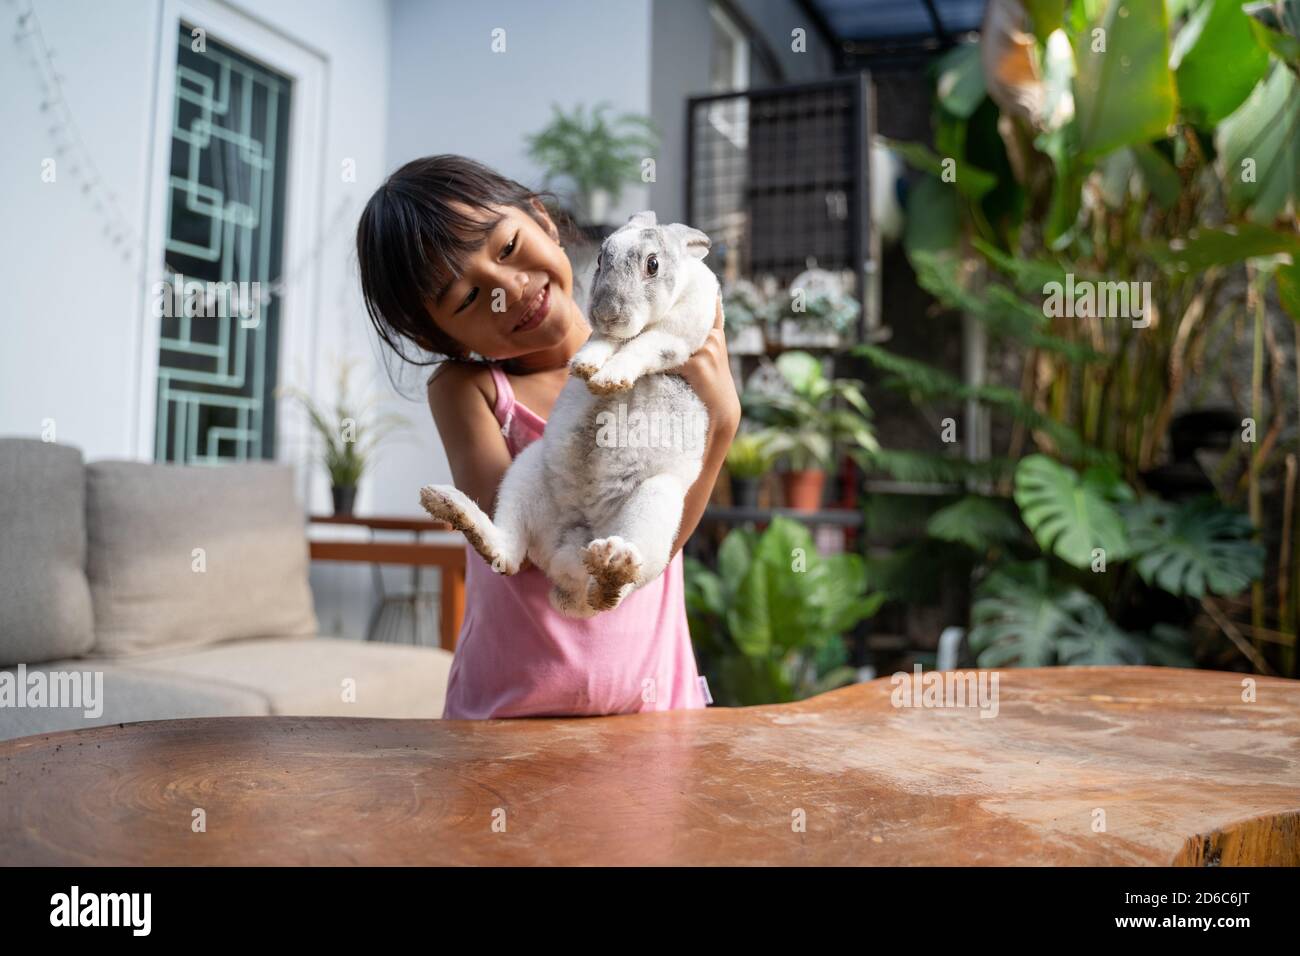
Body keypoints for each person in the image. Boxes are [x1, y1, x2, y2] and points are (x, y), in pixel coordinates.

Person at [356, 155, 739, 718]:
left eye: (508, 247)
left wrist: (719, 417)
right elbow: (519, 546)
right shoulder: (471, 391)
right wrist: (721, 423)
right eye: (466, 298)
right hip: (510, 722)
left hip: (655, 711)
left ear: (541, 219)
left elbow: (660, 535)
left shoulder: (659, 357)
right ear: (441, 337)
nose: (507, 289)